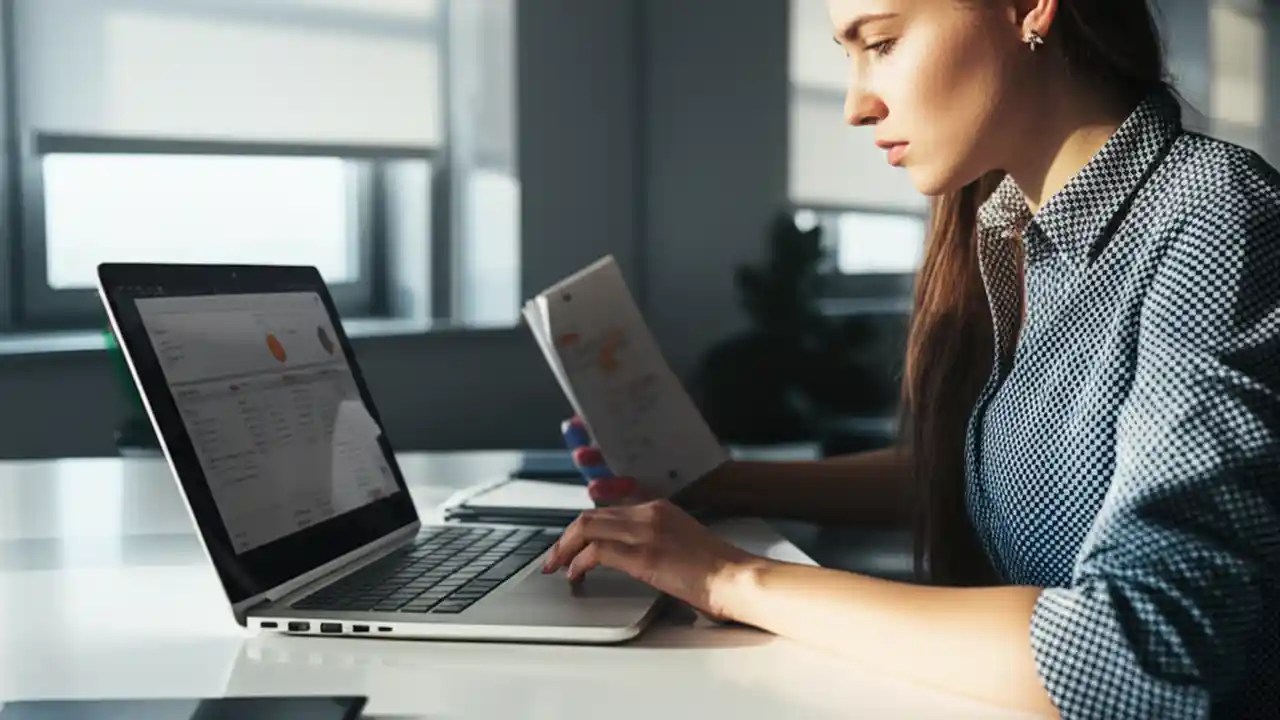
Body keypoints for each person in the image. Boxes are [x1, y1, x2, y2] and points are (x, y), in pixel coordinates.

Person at [541, 0, 1280, 716]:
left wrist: (729, 576)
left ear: (1030, 7)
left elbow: (1138, 655)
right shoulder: (1012, 230)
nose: (855, 106)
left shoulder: (1217, 221)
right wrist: (721, 486)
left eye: (883, 43)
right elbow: (982, 474)